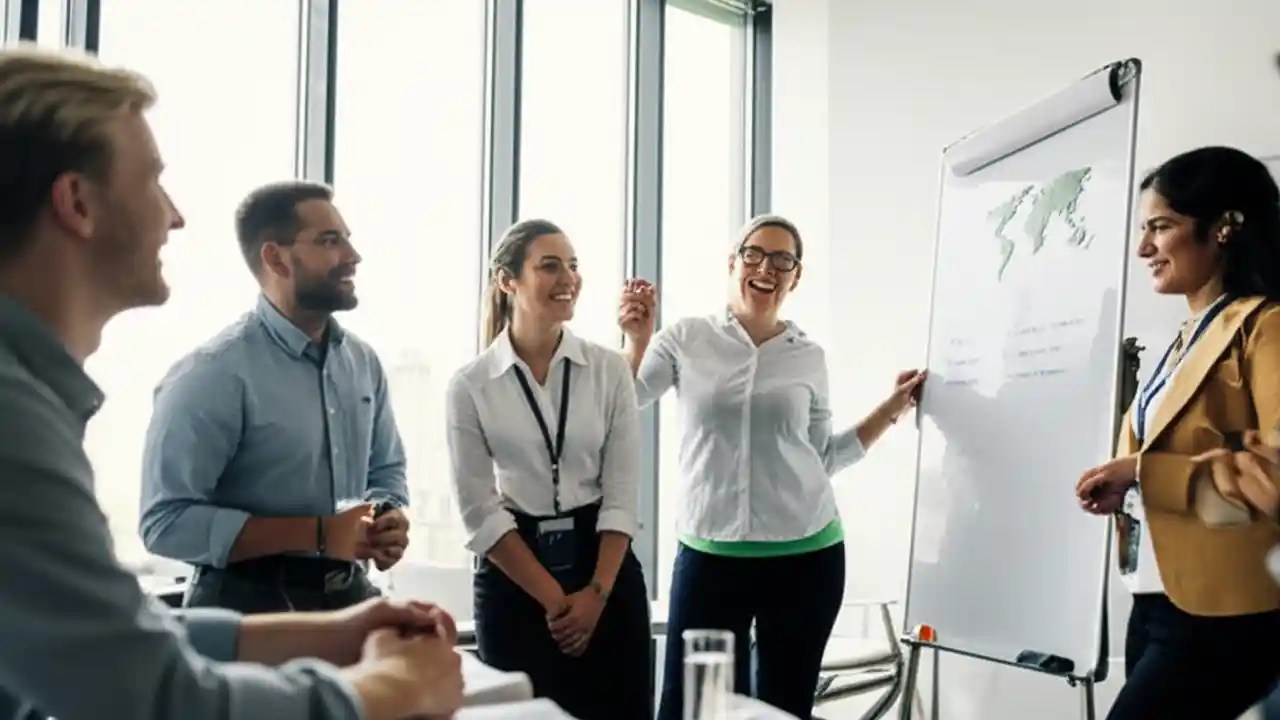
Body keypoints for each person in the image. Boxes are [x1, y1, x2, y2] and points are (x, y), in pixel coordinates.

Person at [0, 44, 462, 720]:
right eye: (153, 179)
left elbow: (110, 639)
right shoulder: (17, 420)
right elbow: (155, 695)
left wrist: (334, 630)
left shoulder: (30, 400)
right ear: (76, 201)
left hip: (338, 596)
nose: (175, 214)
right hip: (246, 590)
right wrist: (389, 691)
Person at [618, 214, 924, 720]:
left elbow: (825, 455)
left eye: (783, 260)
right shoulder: (686, 338)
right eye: (755, 254)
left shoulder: (808, 356)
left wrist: (894, 408)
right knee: (691, 708)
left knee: (781, 710)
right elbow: (623, 402)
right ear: (733, 262)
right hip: (710, 556)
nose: (767, 268)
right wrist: (636, 341)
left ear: (795, 276)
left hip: (806, 559)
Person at [1074, 146, 1280, 720]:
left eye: (1160, 227)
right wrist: (1129, 488)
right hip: (1156, 598)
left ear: (1224, 228)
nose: (1144, 248)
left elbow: (1275, 476)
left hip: (1225, 612)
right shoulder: (1183, 339)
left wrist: (1143, 474)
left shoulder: (1267, 327)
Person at [139, 180, 410, 613]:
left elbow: (387, 470)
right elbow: (165, 523)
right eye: (329, 241)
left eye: (347, 240)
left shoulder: (362, 362)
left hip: (350, 598)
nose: (352, 256)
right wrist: (319, 533)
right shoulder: (212, 374)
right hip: (245, 610)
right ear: (275, 258)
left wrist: (387, 516)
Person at [446, 219, 652, 719]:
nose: (569, 278)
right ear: (507, 280)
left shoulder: (607, 370)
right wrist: (559, 604)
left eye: (574, 266)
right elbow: (480, 514)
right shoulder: (470, 384)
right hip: (517, 581)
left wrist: (595, 596)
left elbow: (623, 496)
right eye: (550, 266)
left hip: (604, 571)